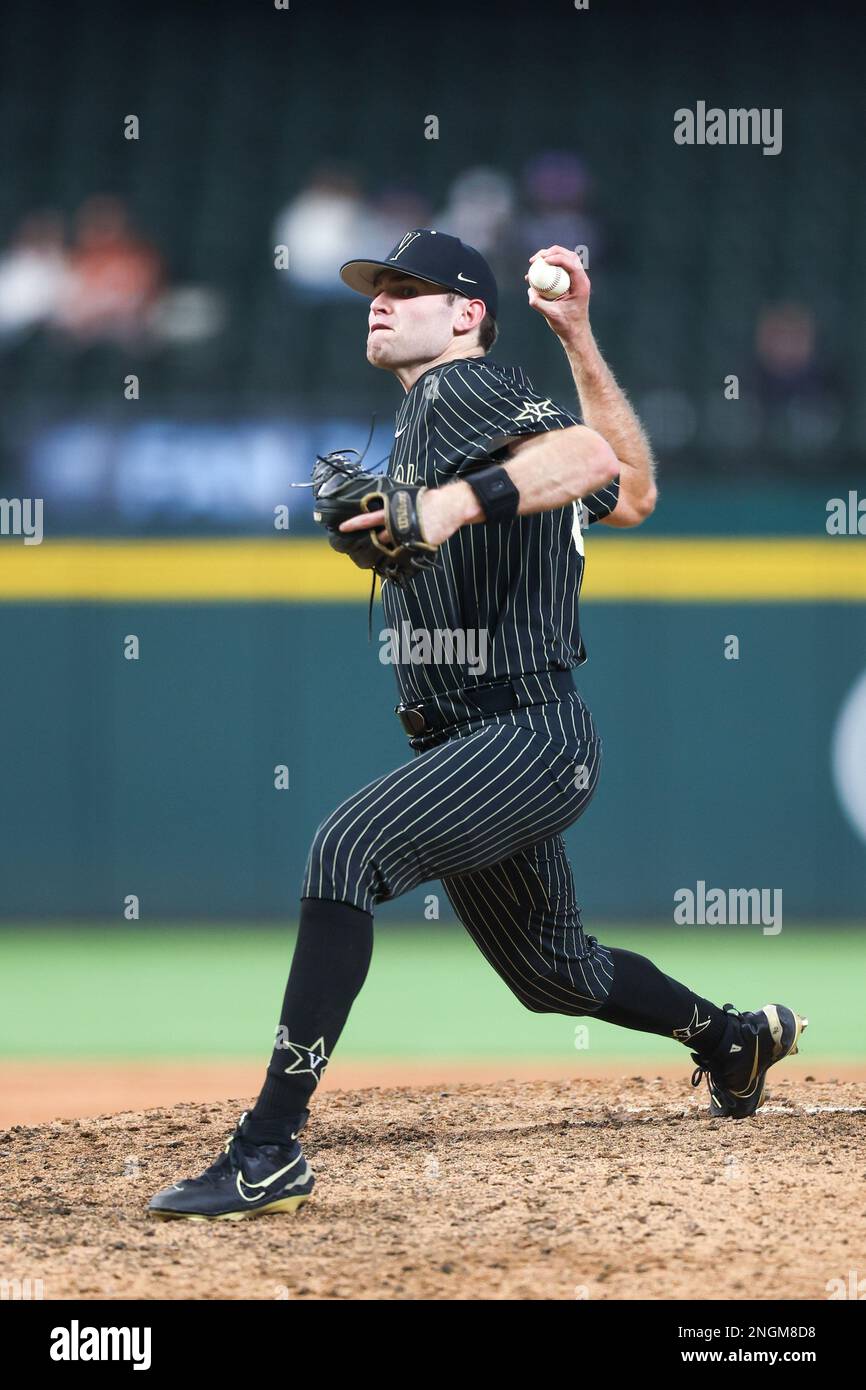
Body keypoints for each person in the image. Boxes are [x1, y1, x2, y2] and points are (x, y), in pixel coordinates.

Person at [148, 229, 806, 1221]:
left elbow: (587, 455)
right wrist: (578, 340)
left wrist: (449, 505)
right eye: (374, 288)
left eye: (406, 288)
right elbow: (631, 494)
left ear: (465, 315)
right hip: (484, 743)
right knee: (554, 973)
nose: (378, 299)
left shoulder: (463, 388)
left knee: (345, 849)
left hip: (525, 734)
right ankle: (727, 1037)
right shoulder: (442, 417)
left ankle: (267, 1147)